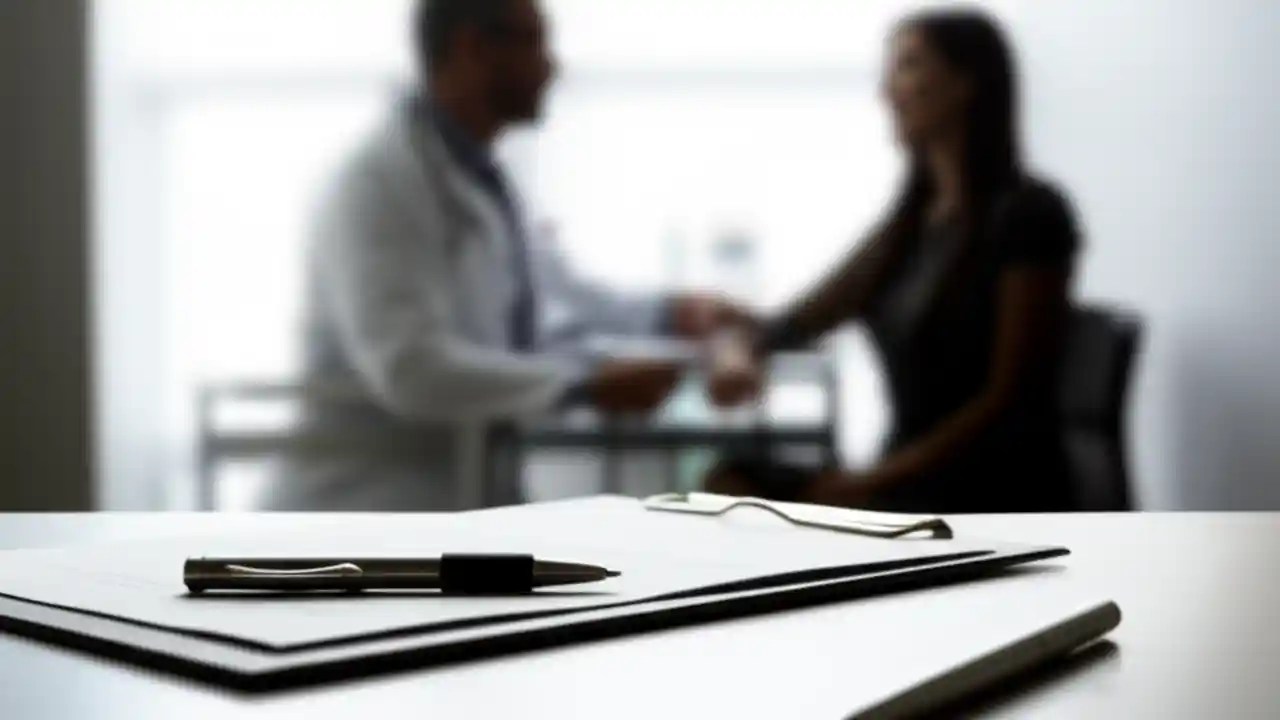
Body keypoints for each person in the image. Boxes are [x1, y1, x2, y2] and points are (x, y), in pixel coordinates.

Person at [261, 0, 740, 511]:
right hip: (364, 508)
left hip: (455, 497)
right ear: (471, 48)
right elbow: (410, 367)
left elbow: (560, 296)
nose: (552, 66)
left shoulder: (478, 176)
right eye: (532, 42)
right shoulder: (378, 183)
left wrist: (674, 314)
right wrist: (580, 384)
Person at [706, 9, 1083, 513]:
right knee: (730, 480)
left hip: (983, 488)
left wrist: (869, 481)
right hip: (902, 478)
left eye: (909, 65)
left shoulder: (1030, 214)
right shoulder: (908, 228)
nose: (890, 91)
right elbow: (794, 323)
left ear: (966, 82)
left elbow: (1007, 400)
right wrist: (739, 353)